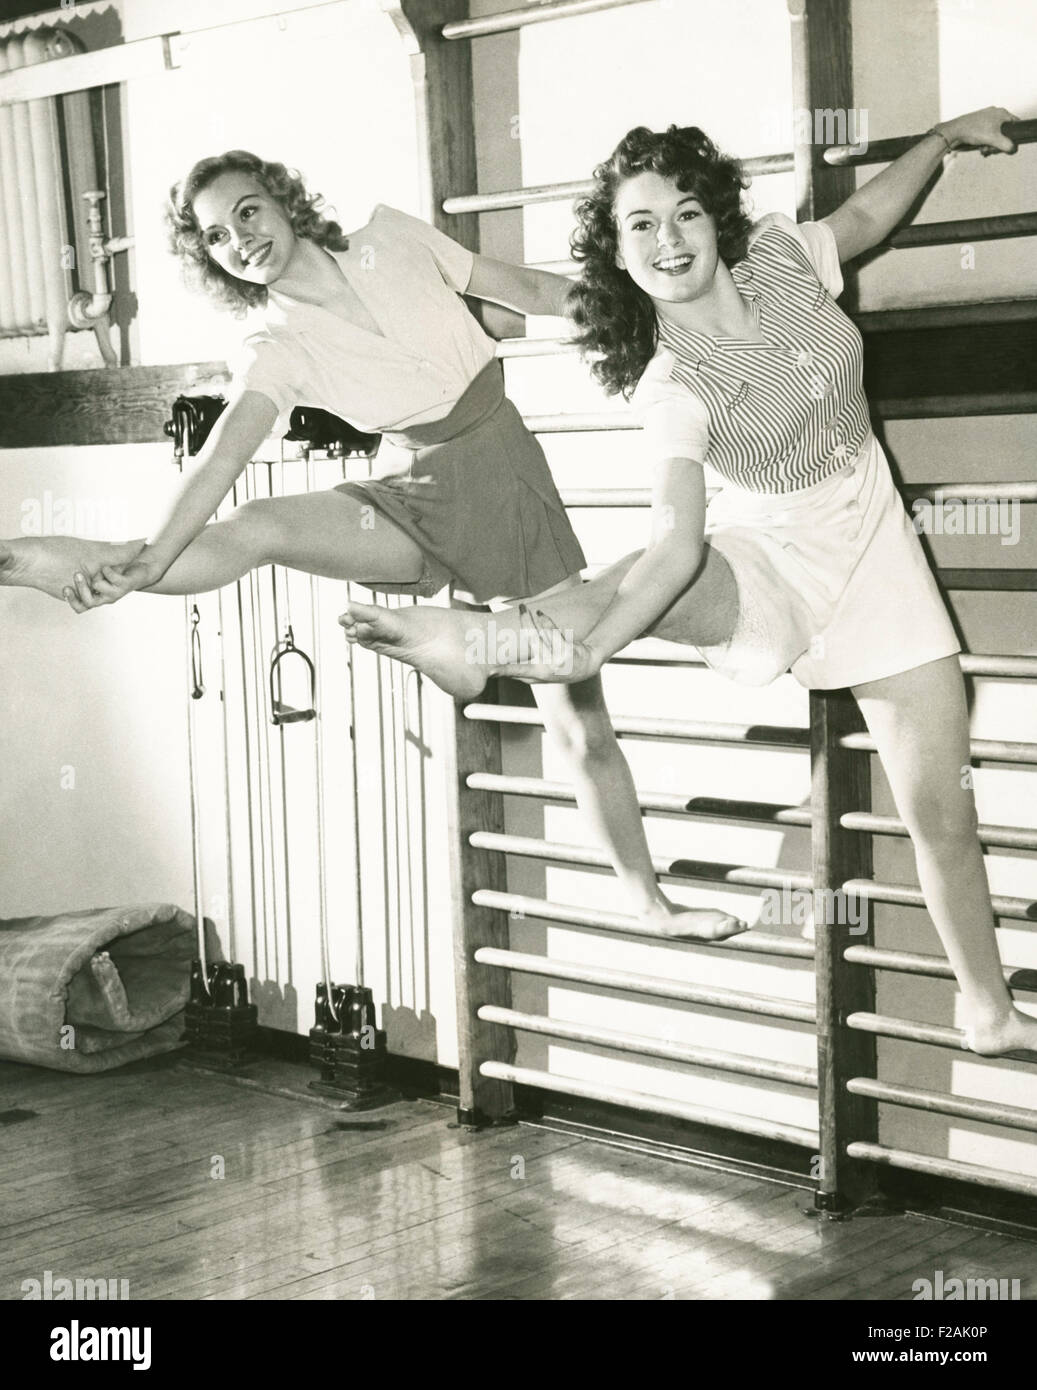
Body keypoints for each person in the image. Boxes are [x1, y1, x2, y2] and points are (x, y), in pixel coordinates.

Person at [339, 109, 1037, 1058]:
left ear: (717, 222)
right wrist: (586, 649)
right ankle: (491, 640)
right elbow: (671, 549)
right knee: (659, 571)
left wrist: (944, 138)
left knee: (941, 812)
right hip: (767, 552)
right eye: (641, 226)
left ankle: (985, 1008)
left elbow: (867, 218)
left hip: (873, 551)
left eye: (685, 214)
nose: (668, 239)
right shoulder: (672, 385)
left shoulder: (787, 260)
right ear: (617, 255)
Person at [0, 150, 744, 944]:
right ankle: (83, 560)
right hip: (406, 490)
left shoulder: (393, 237)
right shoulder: (271, 346)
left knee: (577, 718)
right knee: (258, 529)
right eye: (216, 237)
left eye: (247, 211)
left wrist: (663, 311)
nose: (240, 239)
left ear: (283, 199)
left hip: (502, 478)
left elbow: (526, 291)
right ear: (211, 260)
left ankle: (648, 904)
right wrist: (151, 560)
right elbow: (223, 455)